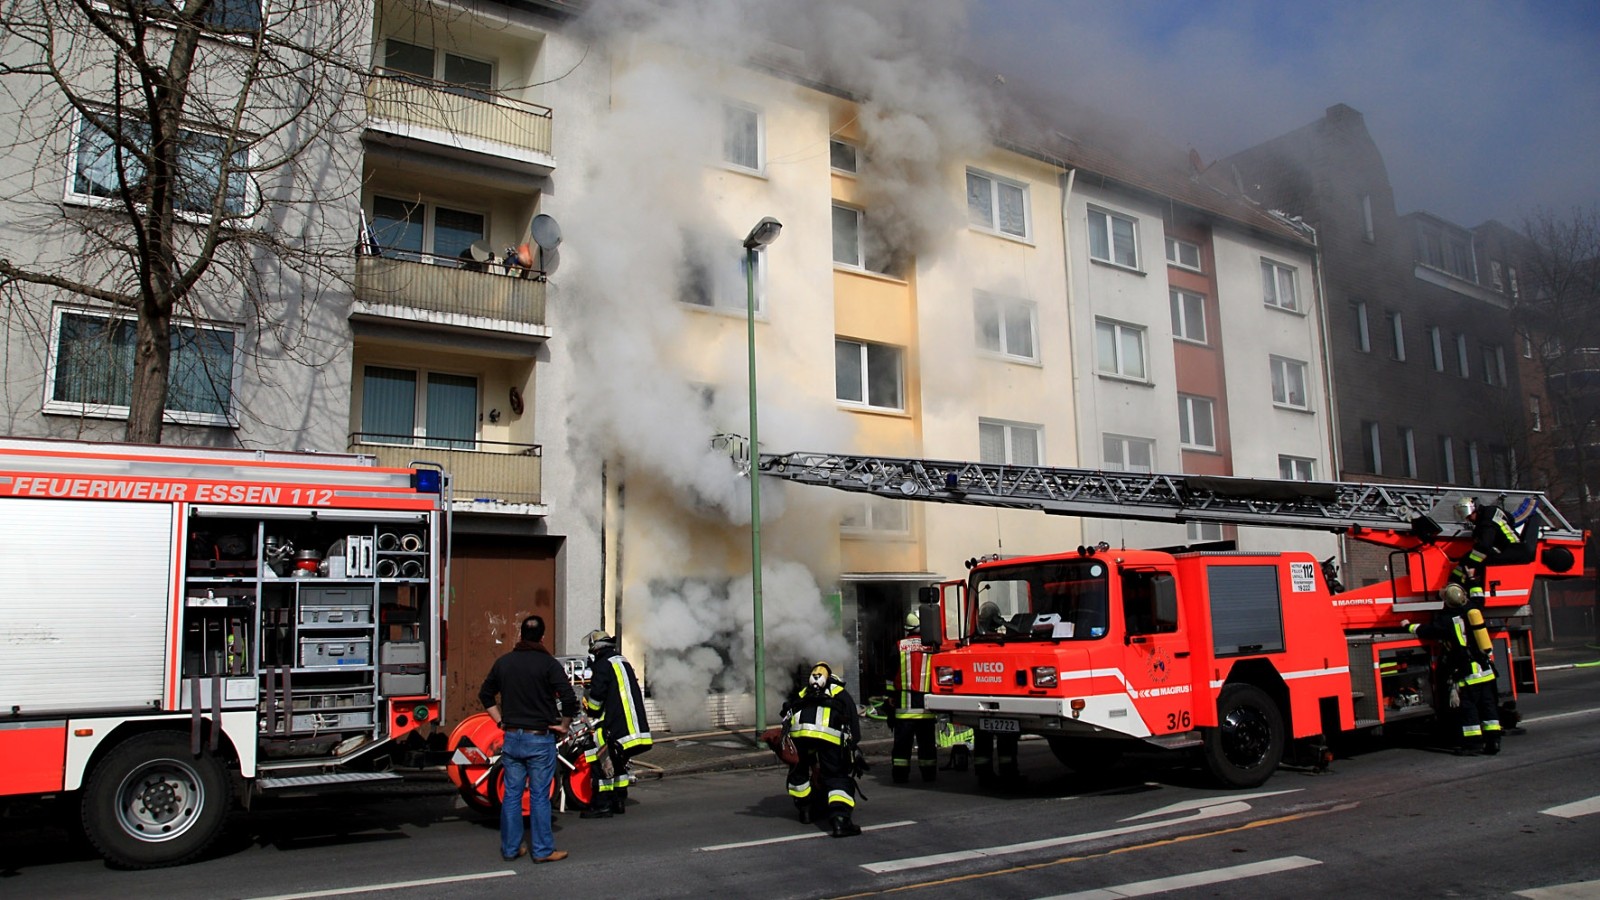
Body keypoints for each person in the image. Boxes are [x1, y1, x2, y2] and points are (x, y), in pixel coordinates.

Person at [479, 615, 579, 863]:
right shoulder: (548, 664)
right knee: (539, 796)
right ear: (542, 637)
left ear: (520, 635)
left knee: (512, 795)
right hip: (539, 738)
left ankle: (511, 849)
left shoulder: (504, 663)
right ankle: (543, 850)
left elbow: (485, 694)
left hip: (512, 738)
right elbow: (569, 699)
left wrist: (500, 721)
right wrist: (564, 726)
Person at [1406, 584, 1502, 755]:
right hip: (1485, 669)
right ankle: (1493, 742)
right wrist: (1472, 579)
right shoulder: (1473, 610)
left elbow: (1427, 631)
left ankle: (1473, 745)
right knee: (1489, 707)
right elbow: (1479, 598)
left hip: (1467, 673)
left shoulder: (1445, 620)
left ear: (1446, 602)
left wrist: (1408, 626)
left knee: (1469, 709)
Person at [781, 661, 864, 837]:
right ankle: (840, 820)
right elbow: (853, 723)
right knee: (836, 776)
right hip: (830, 739)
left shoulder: (804, 693)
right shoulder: (839, 692)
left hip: (801, 737)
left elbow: (787, 710)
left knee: (800, 771)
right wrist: (853, 745)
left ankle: (806, 811)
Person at [580, 630, 653, 818]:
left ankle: (602, 805)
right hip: (632, 727)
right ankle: (618, 800)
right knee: (619, 764)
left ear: (595, 649)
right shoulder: (621, 660)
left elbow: (597, 700)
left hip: (617, 727)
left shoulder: (602, 665)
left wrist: (588, 706)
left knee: (600, 760)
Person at [1449, 496, 1535, 604]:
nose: (1468, 519)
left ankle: (1471, 596)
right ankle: (1455, 582)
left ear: (1474, 510)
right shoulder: (1492, 511)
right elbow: (1510, 519)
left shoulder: (1486, 523)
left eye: (1469, 516)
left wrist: (1471, 563)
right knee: (1469, 559)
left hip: (1513, 551)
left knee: (1473, 563)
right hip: (1515, 549)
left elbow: (1484, 546)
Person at [890, 613, 937, 784]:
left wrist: (890, 697)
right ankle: (929, 774)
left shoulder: (898, 646)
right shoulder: (932, 646)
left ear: (907, 629)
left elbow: (890, 676)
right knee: (927, 745)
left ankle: (900, 776)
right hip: (926, 707)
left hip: (904, 708)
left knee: (902, 746)